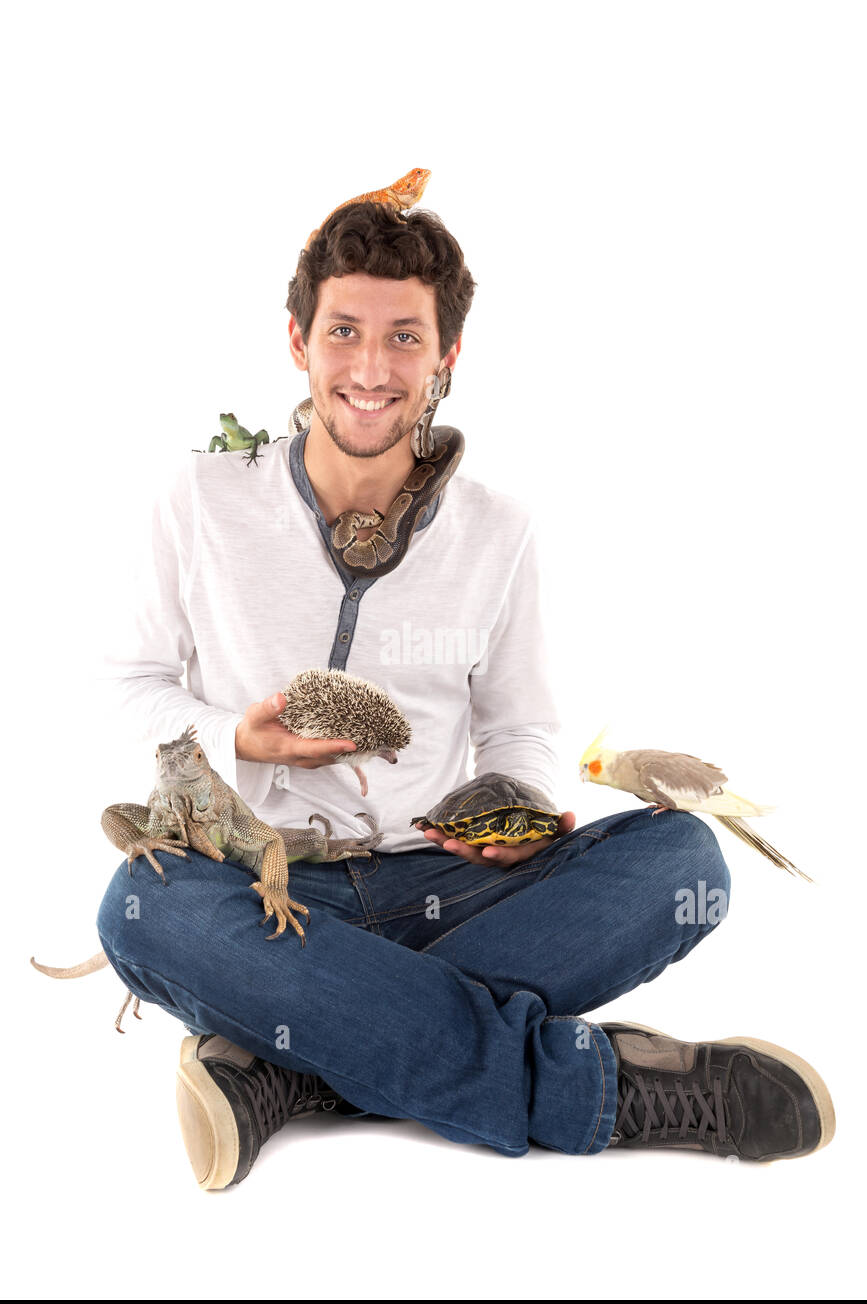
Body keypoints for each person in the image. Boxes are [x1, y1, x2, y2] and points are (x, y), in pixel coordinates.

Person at [96, 195, 835, 1189]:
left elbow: (521, 724)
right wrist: (240, 740)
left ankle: (299, 1062)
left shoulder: (500, 528)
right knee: (142, 904)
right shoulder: (198, 499)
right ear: (296, 342)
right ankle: (601, 1092)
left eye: (405, 337)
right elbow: (124, 687)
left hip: (448, 887)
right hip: (261, 886)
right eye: (344, 332)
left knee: (681, 858)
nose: (370, 367)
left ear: (448, 355)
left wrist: (516, 807)